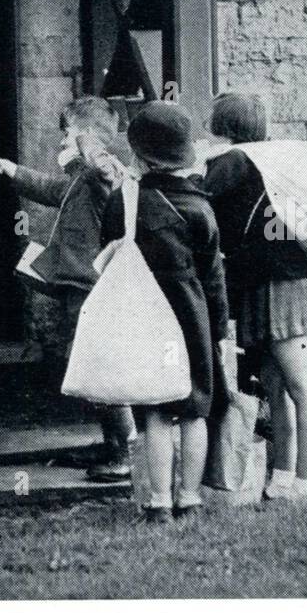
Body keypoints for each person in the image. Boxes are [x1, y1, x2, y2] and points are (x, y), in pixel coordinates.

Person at [0, 96, 136, 482]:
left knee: (102, 370)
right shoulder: (78, 181)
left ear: (87, 136)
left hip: (91, 289)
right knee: (89, 369)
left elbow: (108, 174)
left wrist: (88, 143)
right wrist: (9, 170)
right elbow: (52, 189)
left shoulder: (98, 173)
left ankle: (126, 455)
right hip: (77, 288)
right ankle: (113, 445)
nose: (60, 144)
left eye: (66, 134)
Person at [102, 102, 230, 524]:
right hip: (191, 317)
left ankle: (159, 502)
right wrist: (219, 328)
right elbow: (213, 277)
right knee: (195, 409)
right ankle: (189, 498)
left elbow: (106, 257)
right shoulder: (200, 209)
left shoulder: (123, 202)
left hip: (143, 317)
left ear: (138, 154)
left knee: (156, 409)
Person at [201, 92, 307, 500]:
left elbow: (196, 191)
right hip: (269, 279)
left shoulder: (234, 160)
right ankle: (283, 478)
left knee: (299, 385)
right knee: (275, 385)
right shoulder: (261, 160)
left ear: (225, 126)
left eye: (212, 122)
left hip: (280, 282)